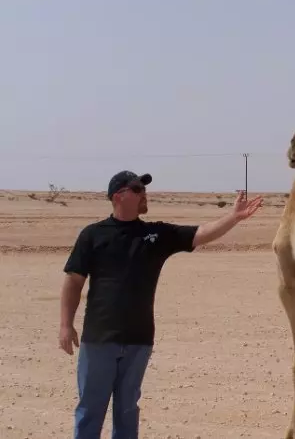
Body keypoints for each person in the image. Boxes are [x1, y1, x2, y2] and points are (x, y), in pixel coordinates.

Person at [58, 170, 263, 439]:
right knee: (90, 409)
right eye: (137, 189)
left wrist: (234, 217)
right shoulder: (93, 235)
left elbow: (200, 234)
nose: (144, 194)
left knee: (127, 410)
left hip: (139, 339)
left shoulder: (155, 234)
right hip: (99, 338)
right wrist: (65, 325)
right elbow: (74, 281)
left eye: (144, 189)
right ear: (118, 196)